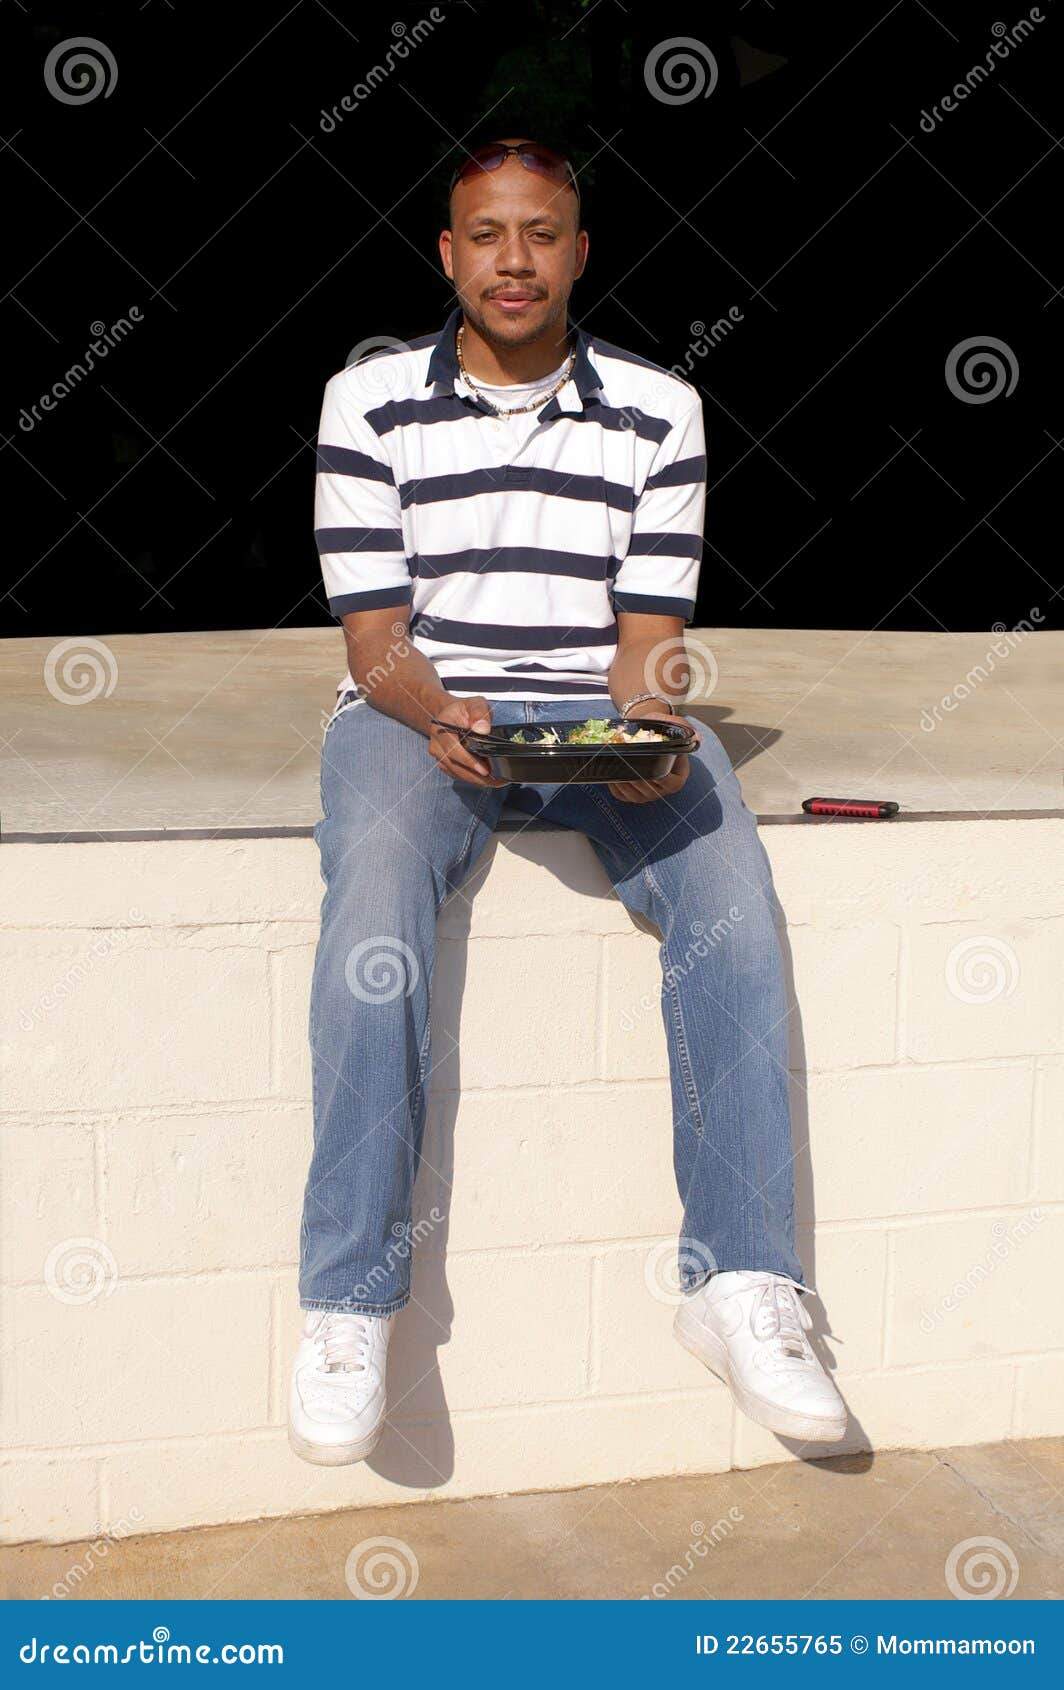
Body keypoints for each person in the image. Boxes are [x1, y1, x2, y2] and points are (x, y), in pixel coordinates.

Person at [289, 137, 845, 1466]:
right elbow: (375, 644)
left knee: (730, 887)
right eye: (487, 234)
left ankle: (742, 1282)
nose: (515, 260)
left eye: (542, 234)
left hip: (586, 712)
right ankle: (348, 1301)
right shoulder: (368, 402)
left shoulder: (660, 409)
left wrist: (649, 734)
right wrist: (441, 713)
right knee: (374, 899)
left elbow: (648, 641)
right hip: (417, 714)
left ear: (580, 252)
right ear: (448, 254)